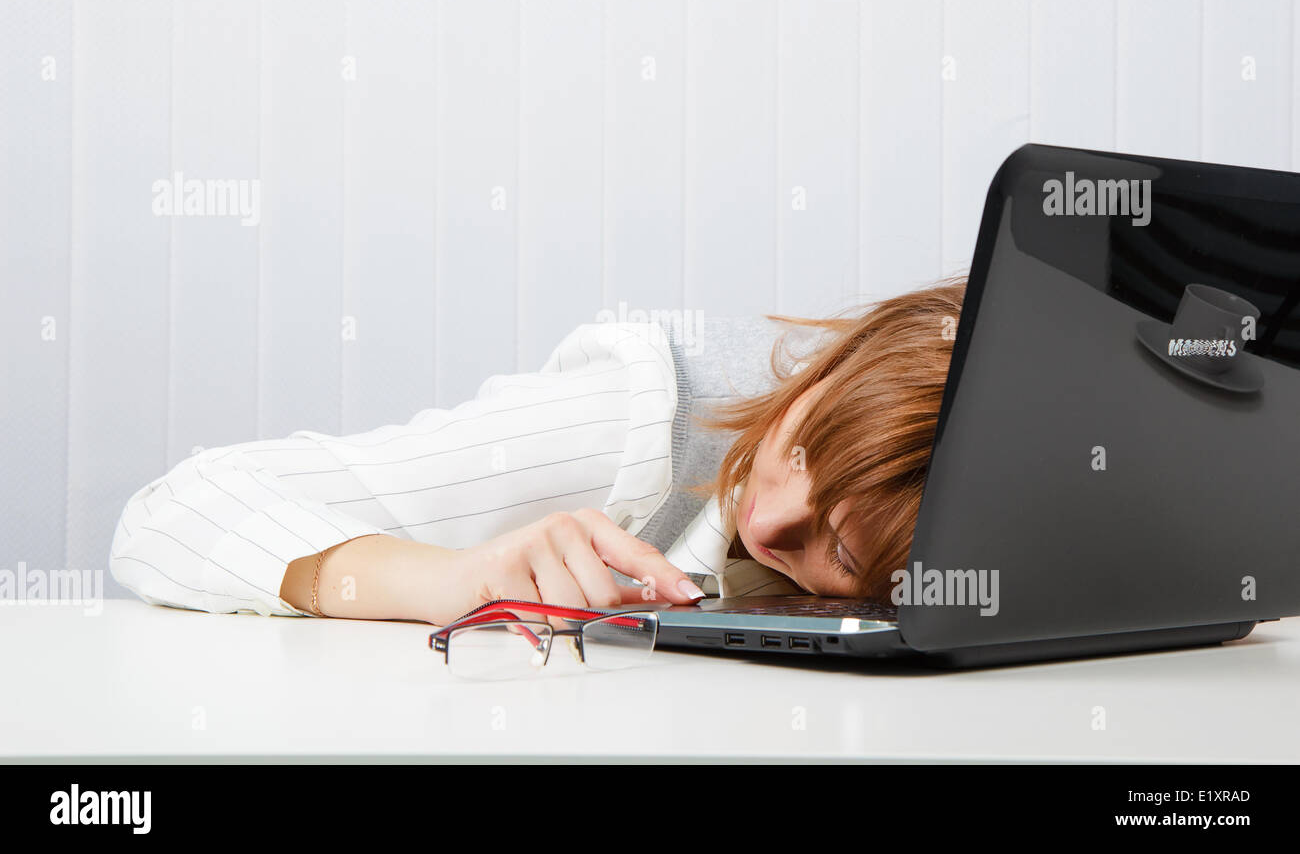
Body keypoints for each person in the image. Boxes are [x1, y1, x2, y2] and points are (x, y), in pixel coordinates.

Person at [109, 276, 965, 627]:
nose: (770, 518)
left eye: (842, 551)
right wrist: (452, 579)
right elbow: (177, 510)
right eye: (805, 450)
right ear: (840, 362)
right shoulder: (640, 418)